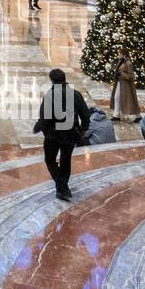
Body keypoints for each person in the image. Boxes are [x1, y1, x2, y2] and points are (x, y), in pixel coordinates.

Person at [33, 67, 89, 202]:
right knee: (65, 160)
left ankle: (62, 188)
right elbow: (85, 115)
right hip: (71, 134)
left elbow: (44, 118)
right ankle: (62, 187)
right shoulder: (76, 94)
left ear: (52, 81)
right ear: (64, 79)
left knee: (50, 160)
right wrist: (82, 130)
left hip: (53, 135)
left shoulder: (49, 96)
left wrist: (42, 130)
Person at [109, 54, 140, 122]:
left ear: (124, 54)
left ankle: (138, 116)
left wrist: (121, 74)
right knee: (116, 98)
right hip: (119, 83)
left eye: (119, 54)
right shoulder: (120, 61)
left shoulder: (128, 63)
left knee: (130, 100)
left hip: (126, 86)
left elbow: (131, 76)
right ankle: (116, 115)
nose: (118, 55)